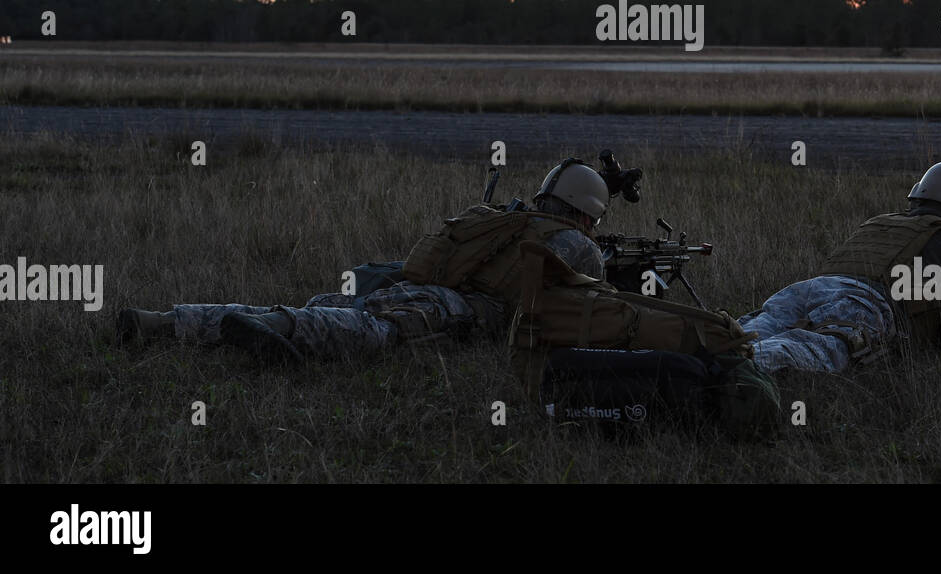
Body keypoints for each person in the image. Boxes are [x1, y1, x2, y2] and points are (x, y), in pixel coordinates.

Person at [116, 159, 611, 363]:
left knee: (329, 309)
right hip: (452, 309)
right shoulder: (576, 245)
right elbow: (592, 307)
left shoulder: (510, 219)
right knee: (379, 333)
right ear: (588, 212)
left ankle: (164, 322)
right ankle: (283, 333)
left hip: (417, 286)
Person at [737, 161, 941, 374]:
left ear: (918, 197)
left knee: (742, 335)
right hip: (862, 304)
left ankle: (707, 351)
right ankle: (727, 371)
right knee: (806, 351)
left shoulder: (880, 222)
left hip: (809, 289)